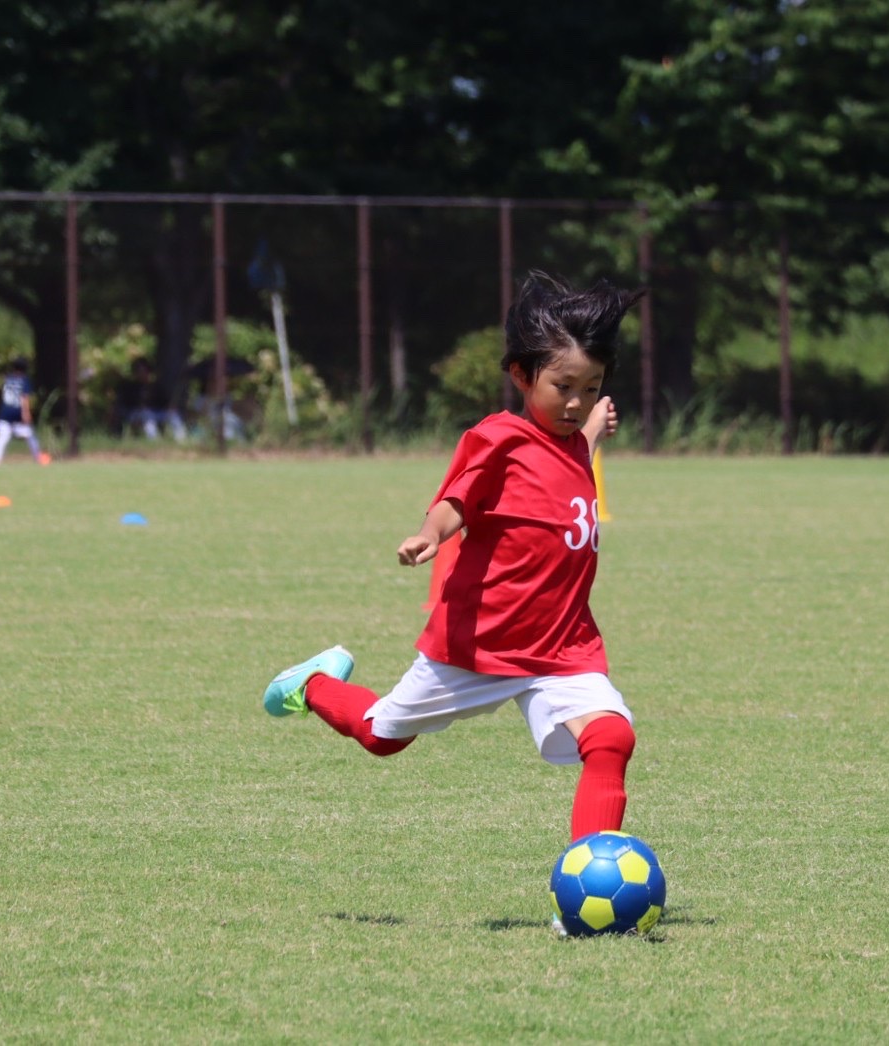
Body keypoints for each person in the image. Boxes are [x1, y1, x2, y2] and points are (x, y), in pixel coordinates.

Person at [262, 272, 647, 925]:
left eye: (591, 388)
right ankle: (317, 685)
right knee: (384, 736)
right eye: (564, 387)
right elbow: (456, 499)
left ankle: (584, 896)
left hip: (563, 646)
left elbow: (565, 458)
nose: (578, 402)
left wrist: (590, 433)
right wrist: (428, 534)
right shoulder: (500, 437)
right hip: (481, 644)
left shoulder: (571, 441)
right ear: (523, 376)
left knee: (610, 738)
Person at [0, 358, 51, 466]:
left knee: (2, 437)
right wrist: (26, 413)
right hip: (18, 412)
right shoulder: (24, 380)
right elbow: (24, 398)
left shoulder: (7, 379)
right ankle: (39, 458)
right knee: (29, 435)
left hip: (5, 413)